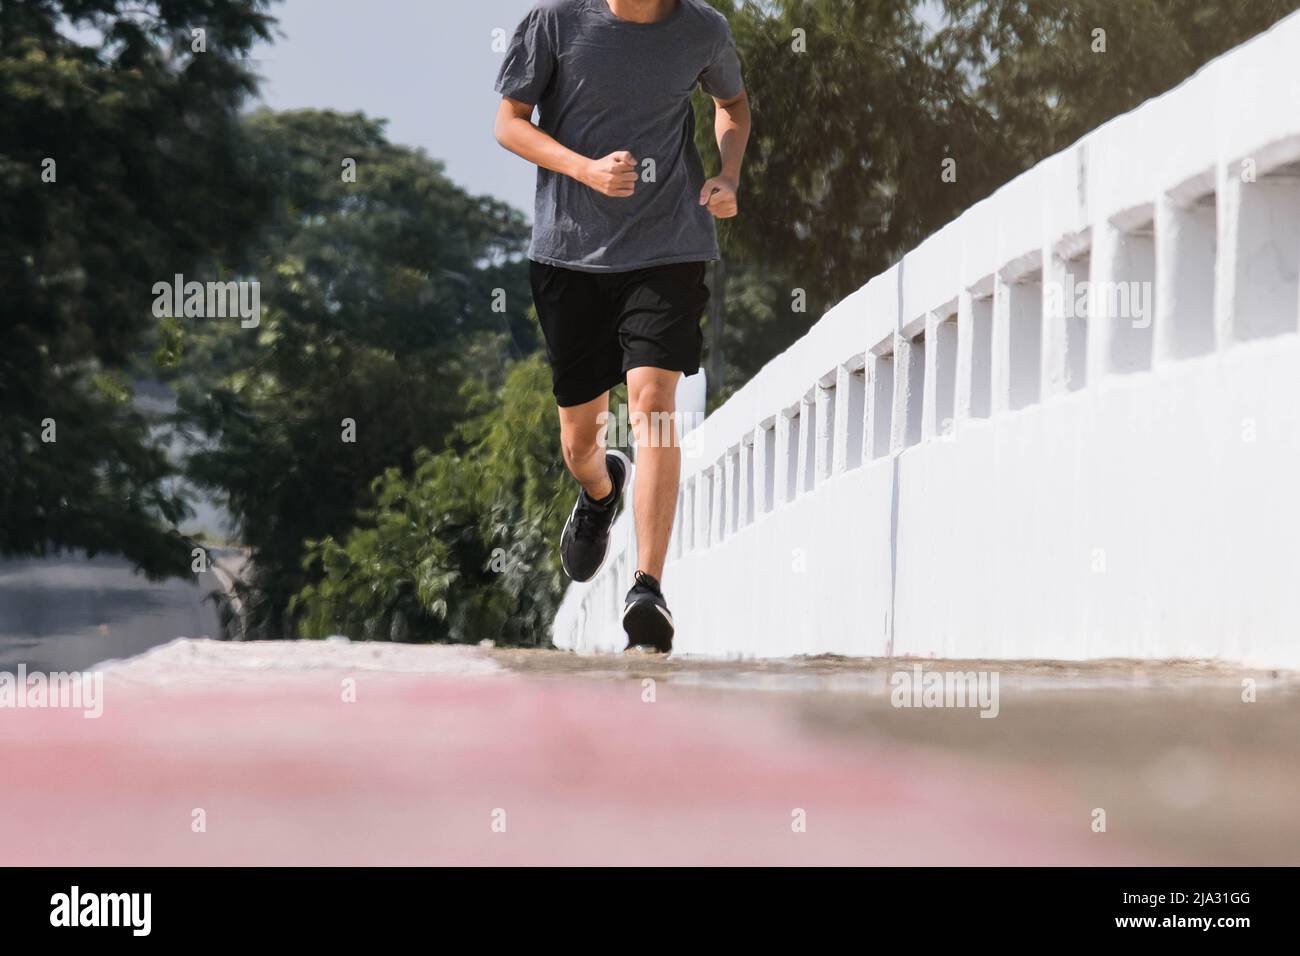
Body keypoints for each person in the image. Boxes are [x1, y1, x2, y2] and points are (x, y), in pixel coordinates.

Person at [494, 0, 749, 653]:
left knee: (653, 404)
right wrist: (583, 169)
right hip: (568, 258)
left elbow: (733, 106)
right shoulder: (554, 23)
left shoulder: (703, 29)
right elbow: (509, 124)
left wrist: (726, 174)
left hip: (667, 250)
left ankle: (647, 588)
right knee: (580, 442)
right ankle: (599, 489)